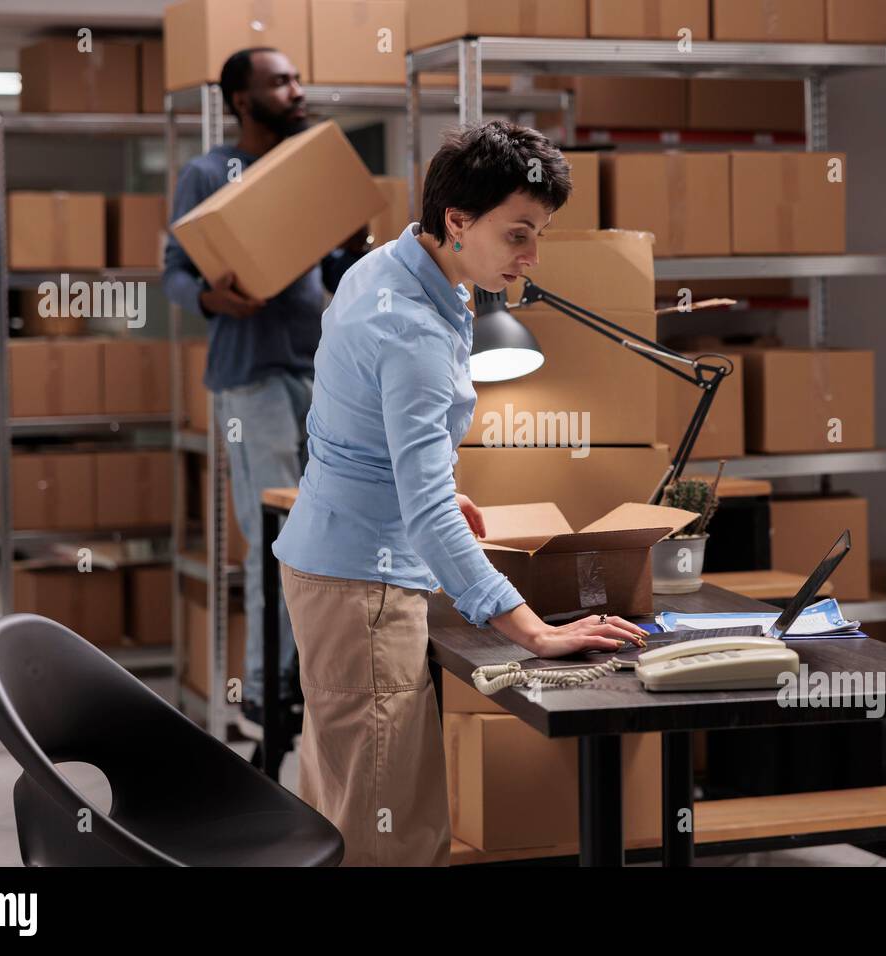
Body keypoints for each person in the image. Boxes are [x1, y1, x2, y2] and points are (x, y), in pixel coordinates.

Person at [272, 120, 651, 867]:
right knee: (393, 835)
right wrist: (536, 634)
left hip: (334, 566)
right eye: (518, 236)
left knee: (343, 808)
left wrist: (432, 481)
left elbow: (352, 425)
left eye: (537, 235)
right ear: (457, 221)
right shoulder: (411, 330)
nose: (530, 258)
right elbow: (422, 507)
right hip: (365, 588)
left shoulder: (386, 266)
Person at [163, 47, 361, 737]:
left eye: (297, 77)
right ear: (243, 100)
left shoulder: (302, 169)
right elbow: (173, 273)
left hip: (320, 370)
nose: (297, 90)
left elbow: (335, 266)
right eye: (281, 81)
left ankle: (305, 675)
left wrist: (353, 242)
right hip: (251, 379)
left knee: (326, 534)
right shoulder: (206, 172)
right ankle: (263, 687)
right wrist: (211, 299)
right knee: (276, 536)